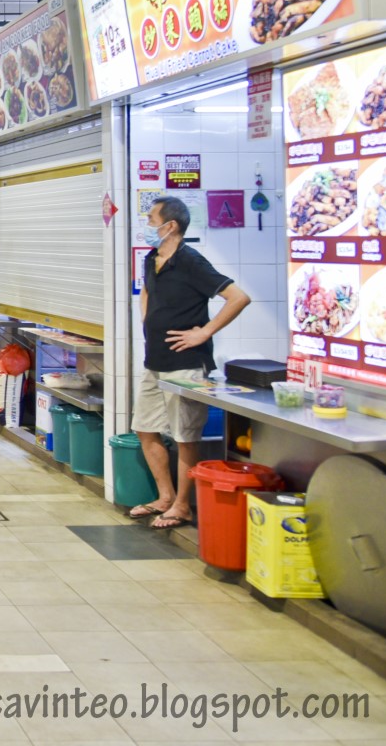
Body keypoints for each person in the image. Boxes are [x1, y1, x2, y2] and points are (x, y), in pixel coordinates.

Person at [131, 196, 251, 531]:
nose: (147, 224)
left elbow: (238, 297)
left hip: (186, 363)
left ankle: (183, 506)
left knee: (184, 435)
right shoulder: (152, 258)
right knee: (145, 427)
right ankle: (164, 497)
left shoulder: (191, 261)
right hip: (155, 360)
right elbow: (146, 293)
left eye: (151, 218)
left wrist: (203, 333)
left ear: (170, 225)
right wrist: (147, 322)